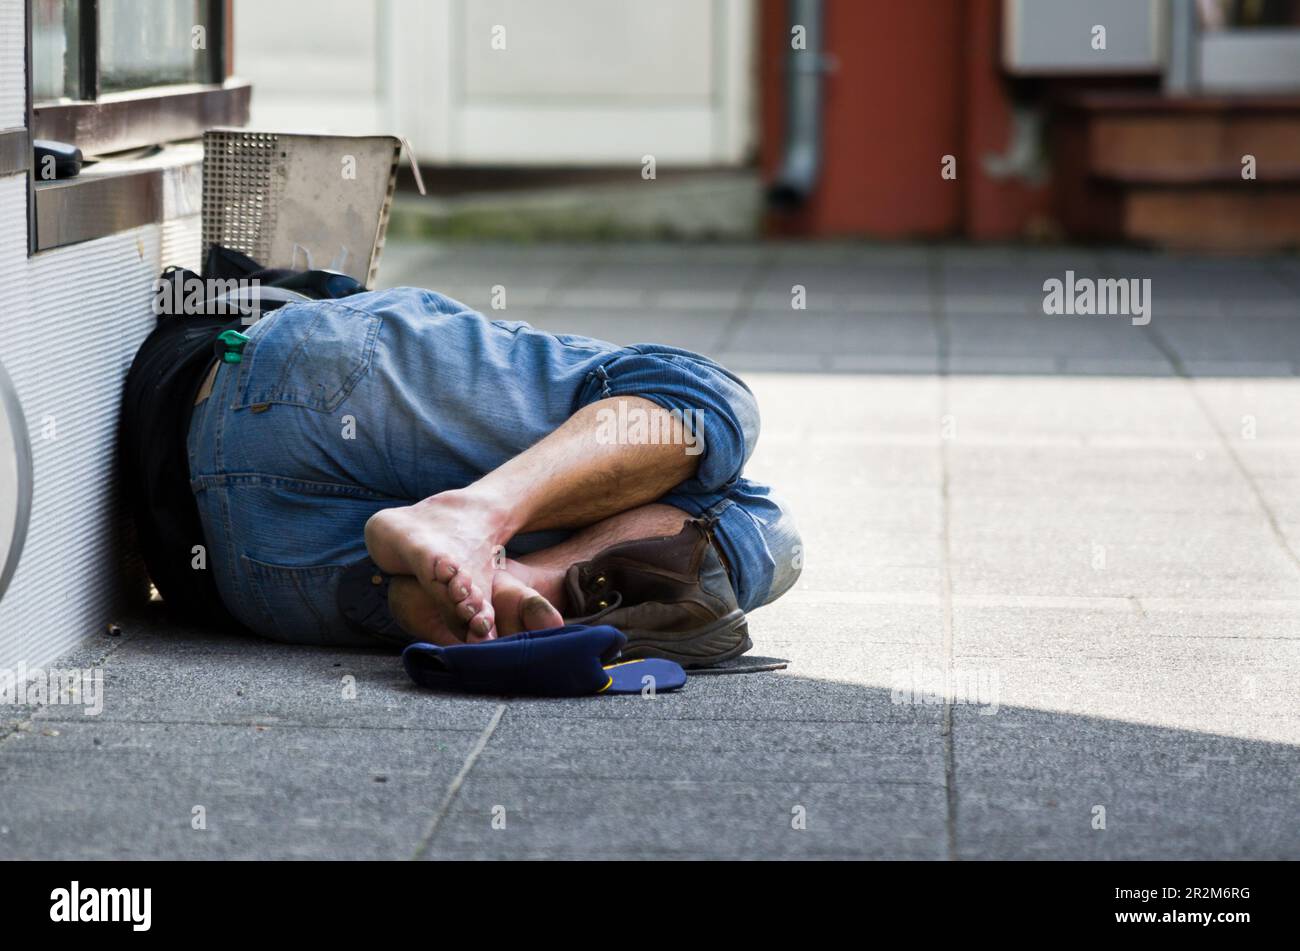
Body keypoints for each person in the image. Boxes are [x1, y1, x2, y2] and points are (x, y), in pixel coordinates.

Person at [186, 287, 801, 667]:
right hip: (257, 574)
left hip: (237, 507)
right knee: (747, 504)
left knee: (750, 499)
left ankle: (492, 571)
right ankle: (500, 548)